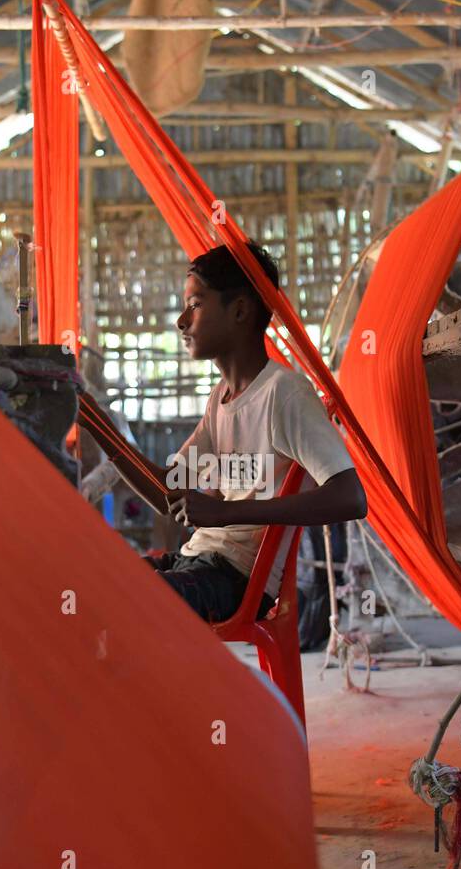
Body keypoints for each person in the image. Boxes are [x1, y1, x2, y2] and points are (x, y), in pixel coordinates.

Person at [80, 241, 367, 623]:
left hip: (236, 579)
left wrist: (227, 512)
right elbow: (169, 490)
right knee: (82, 581)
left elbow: (350, 497)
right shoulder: (222, 400)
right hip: (195, 560)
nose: (182, 321)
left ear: (241, 310)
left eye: (195, 304)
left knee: (126, 601)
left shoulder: (284, 393)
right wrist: (97, 423)